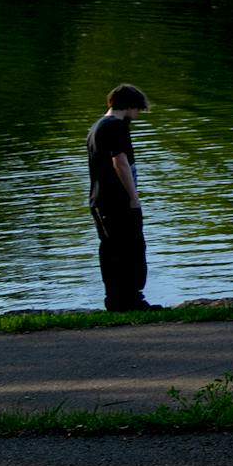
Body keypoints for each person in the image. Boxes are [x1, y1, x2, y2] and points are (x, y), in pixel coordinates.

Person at [86, 83, 157, 312]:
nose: (136, 116)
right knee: (132, 248)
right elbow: (121, 162)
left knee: (110, 251)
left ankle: (115, 300)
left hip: (98, 200)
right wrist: (133, 197)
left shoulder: (96, 127)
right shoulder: (116, 126)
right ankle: (133, 300)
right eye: (137, 110)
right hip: (118, 200)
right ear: (129, 106)